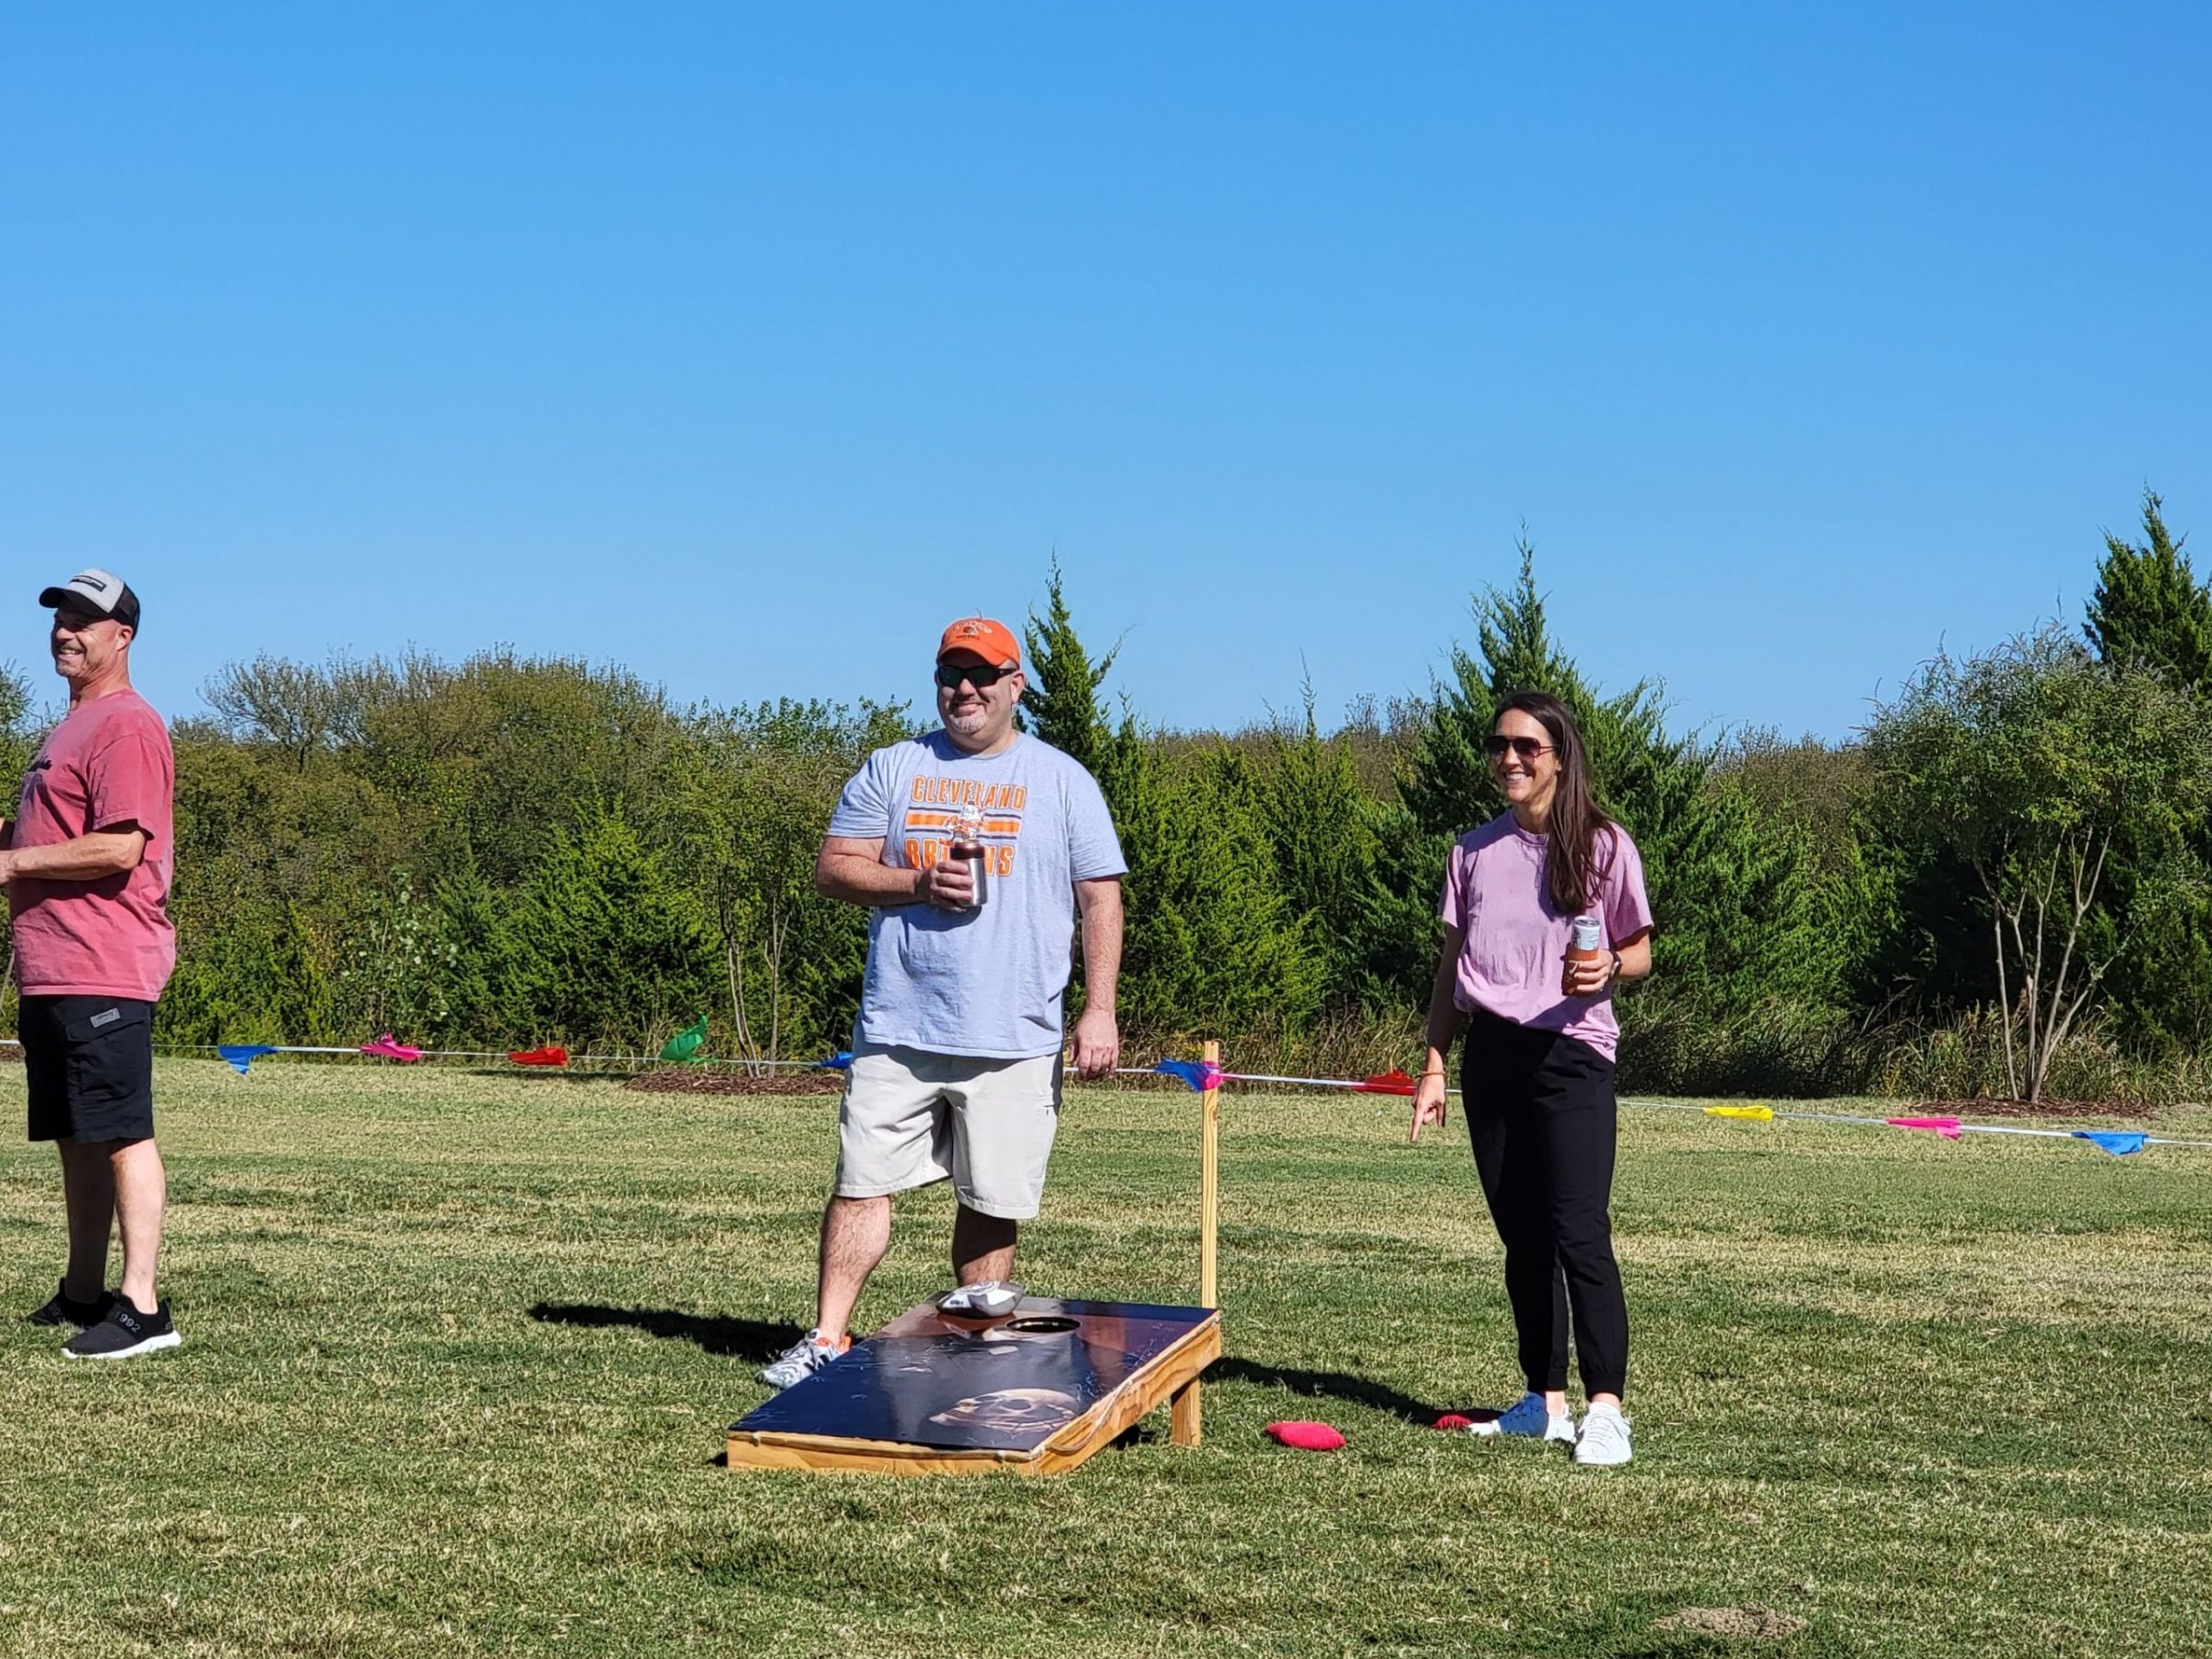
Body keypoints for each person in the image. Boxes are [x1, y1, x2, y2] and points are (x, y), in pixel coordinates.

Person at [759, 617, 1127, 1389]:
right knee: (862, 1181)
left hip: (1017, 1032)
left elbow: (1100, 898)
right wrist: (917, 883)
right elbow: (834, 869)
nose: (964, 690)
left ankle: (976, 1344)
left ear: (1014, 685)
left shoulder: (1062, 780)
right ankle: (827, 1340)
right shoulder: (893, 768)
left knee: (991, 1195)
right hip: (899, 1027)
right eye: (951, 675)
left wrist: (1100, 1010)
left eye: (982, 675)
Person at [1410, 689, 1653, 1465]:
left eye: (1527, 747)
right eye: (1498, 745)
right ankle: (1542, 1402)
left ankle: (1605, 1410)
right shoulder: (1471, 851)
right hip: (1493, 1058)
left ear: (1559, 756)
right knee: (1522, 1237)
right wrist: (1435, 1065)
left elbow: (1641, 951)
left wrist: (1609, 964)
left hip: (1574, 1056)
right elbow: (1452, 969)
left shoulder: (1606, 845)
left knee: (1579, 1231)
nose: (1509, 759)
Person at [2, 569, 181, 1359]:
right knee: (77, 1133)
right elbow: (57, 835)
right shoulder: (70, 727)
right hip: (52, 968)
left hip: (102, 964)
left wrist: (11, 865)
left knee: (120, 1133)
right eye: (60, 617)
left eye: (85, 620)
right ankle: (84, 1293)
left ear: (123, 637)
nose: (66, 630)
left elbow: (120, 845)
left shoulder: (127, 727)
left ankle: (143, 1310)